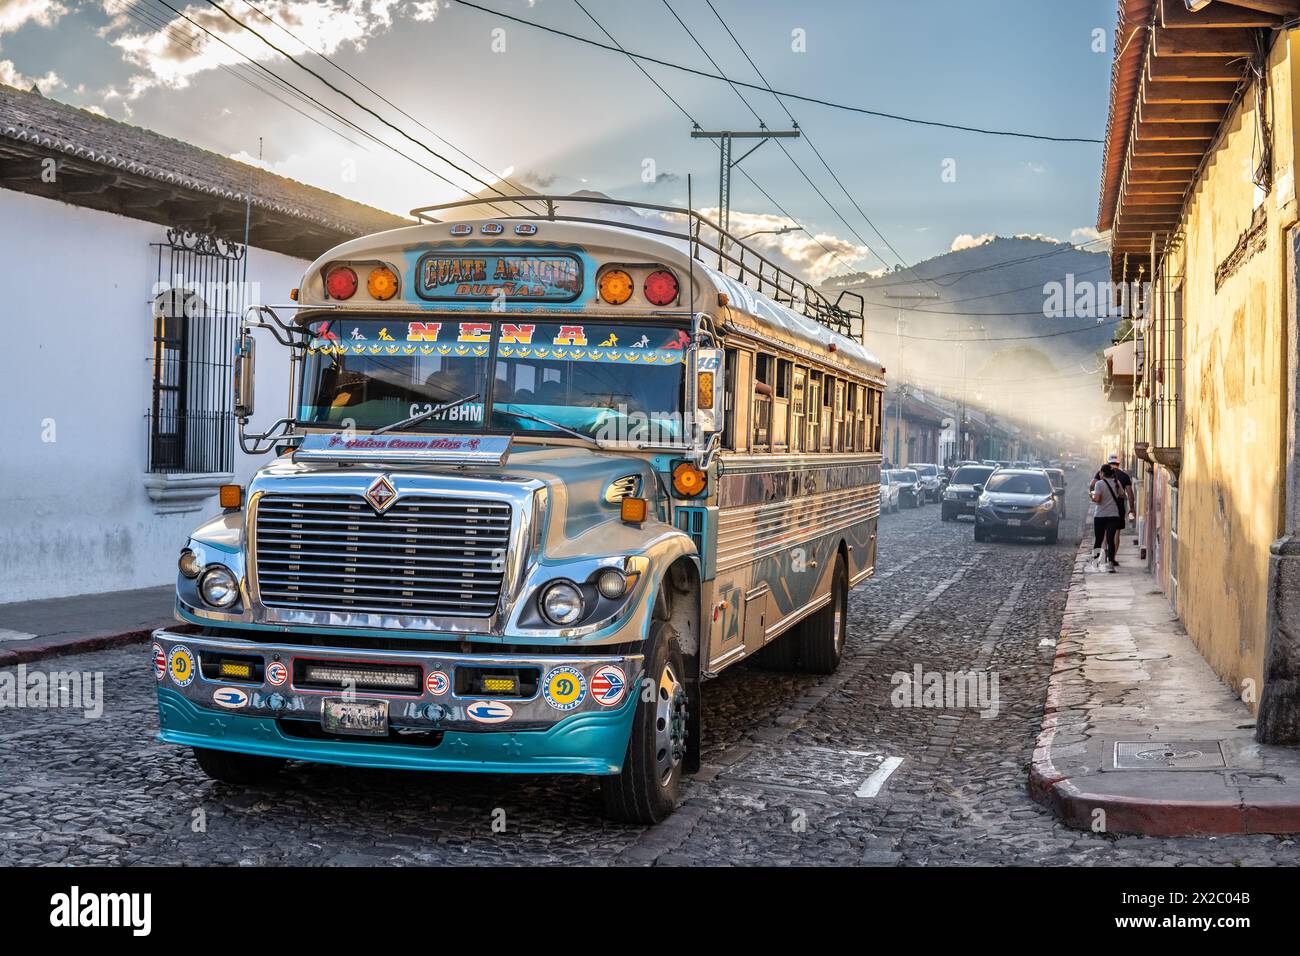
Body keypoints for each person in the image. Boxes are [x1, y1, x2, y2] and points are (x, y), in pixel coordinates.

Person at [1089, 453, 1136, 563]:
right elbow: (1128, 493)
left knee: (1100, 538)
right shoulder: (1123, 477)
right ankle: (1112, 558)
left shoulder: (1100, 479)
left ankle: (1098, 559)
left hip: (1101, 514)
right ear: (1118, 463)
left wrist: (1092, 494)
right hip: (1116, 510)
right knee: (1114, 535)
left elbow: (1093, 487)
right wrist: (1132, 508)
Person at [1091, 463, 1126, 572]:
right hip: (1113, 515)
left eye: (1100, 472)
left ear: (1102, 473)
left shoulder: (1099, 484)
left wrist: (1091, 497)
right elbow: (1122, 495)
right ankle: (1110, 563)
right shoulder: (1117, 483)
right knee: (1111, 540)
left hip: (1100, 515)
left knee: (1099, 540)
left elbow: (1097, 499)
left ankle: (1096, 563)